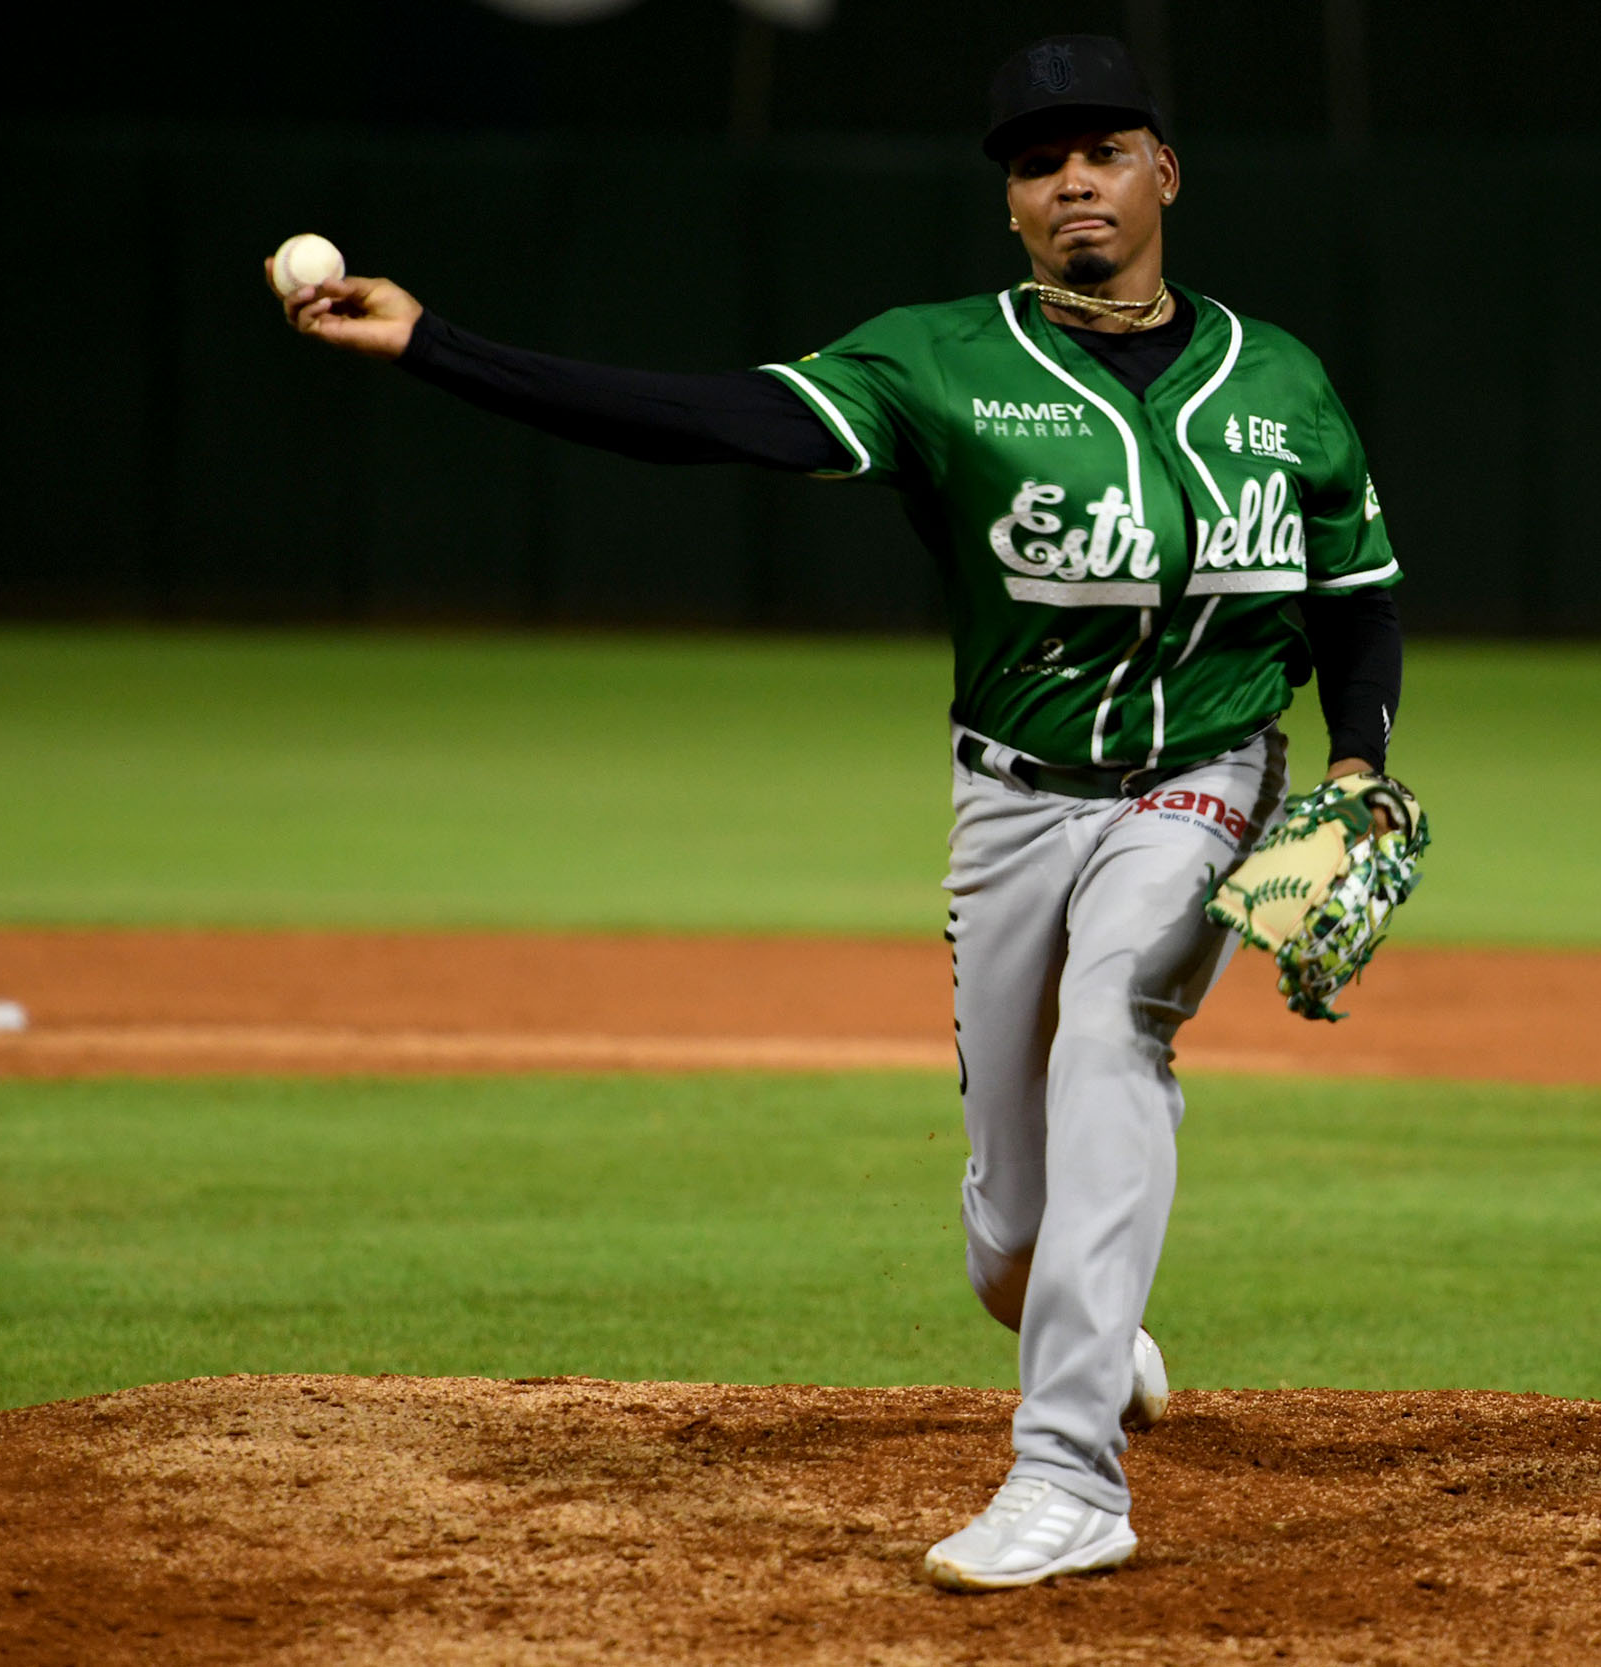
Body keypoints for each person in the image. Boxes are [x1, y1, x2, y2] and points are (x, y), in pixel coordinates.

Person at [272, 33, 1403, 1592]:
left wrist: (1357, 763)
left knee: (1117, 1030)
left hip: (1204, 780)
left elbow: (1356, 597)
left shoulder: (1278, 380)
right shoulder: (938, 362)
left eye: (1102, 151)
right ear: (1010, 203)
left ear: (1164, 171)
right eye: (1037, 162)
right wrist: (435, 347)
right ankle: (1082, 1315)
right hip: (1013, 805)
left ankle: (1069, 1475)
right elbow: (705, 419)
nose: (1072, 181)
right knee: (1008, 1243)